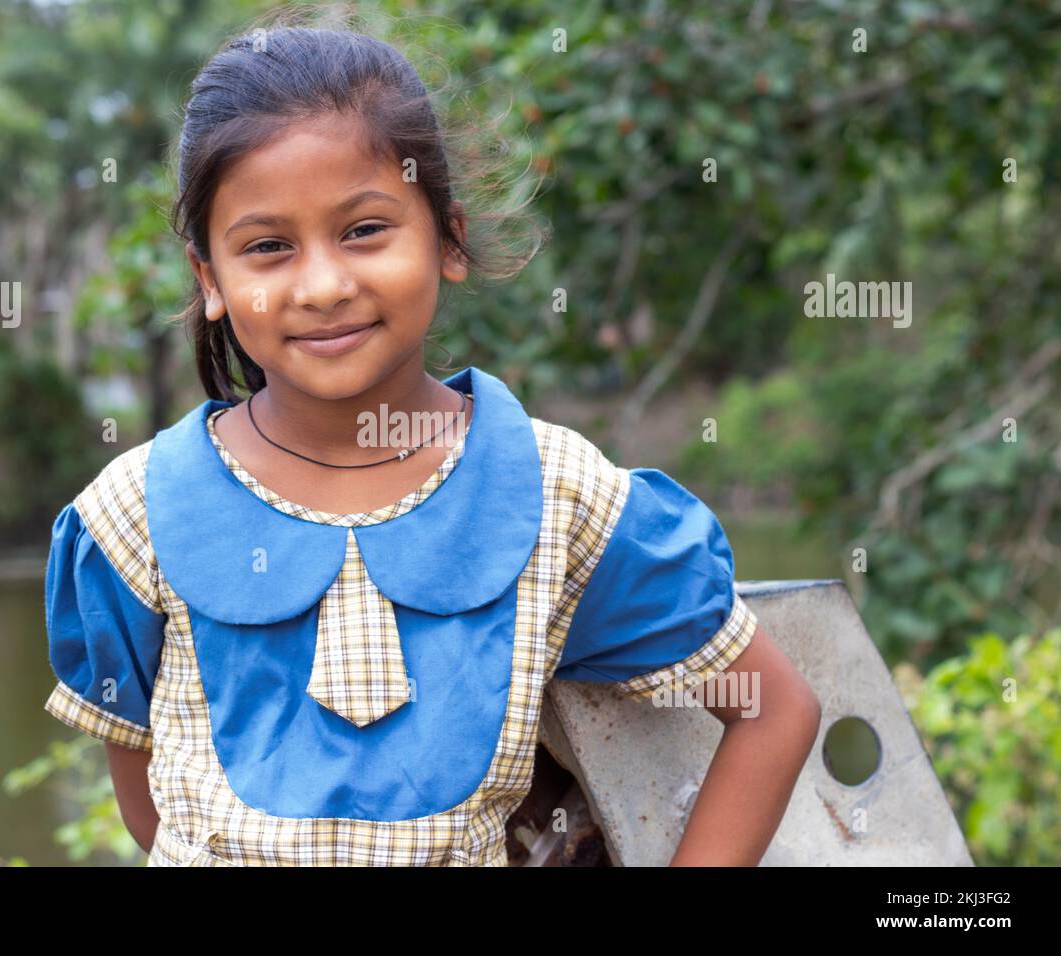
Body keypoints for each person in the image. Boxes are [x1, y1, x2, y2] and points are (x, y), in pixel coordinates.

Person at [43, 18, 820, 867]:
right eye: (268, 248)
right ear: (211, 280)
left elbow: (774, 711)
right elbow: (151, 808)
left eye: (365, 230)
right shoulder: (135, 515)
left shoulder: (552, 496)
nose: (324, 285)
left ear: (447, 239)